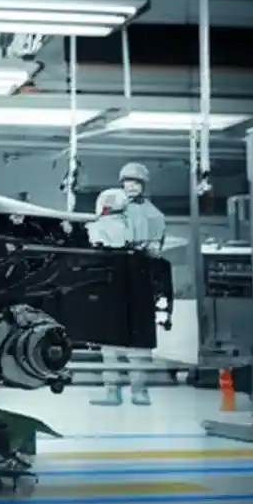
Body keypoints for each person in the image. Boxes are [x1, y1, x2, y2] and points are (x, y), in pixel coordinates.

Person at [90, 163, 166, 407]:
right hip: (112, 279)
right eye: (126, 181)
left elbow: (155, 250)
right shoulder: (110, 208)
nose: (129, 186)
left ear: (143, 185)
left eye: (135, 182)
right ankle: (111, 389)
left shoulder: (154, 215)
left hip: (140, 279)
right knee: (109, 338)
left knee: (139, 339)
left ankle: (139, 390)